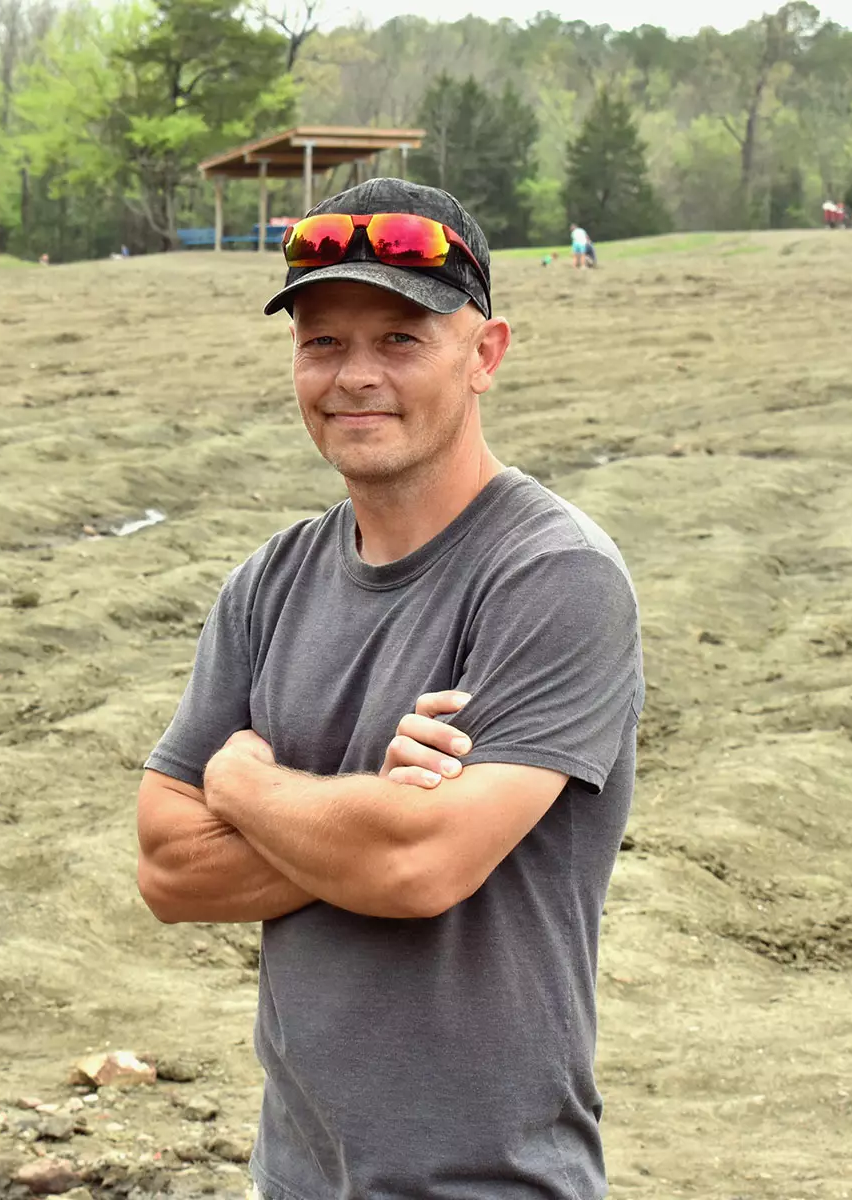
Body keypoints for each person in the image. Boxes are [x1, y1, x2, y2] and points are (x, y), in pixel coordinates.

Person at [136, 178, 645, 1200]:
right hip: (297, 1173)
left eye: (401, 340)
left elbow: (419, 867)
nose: (354, 376)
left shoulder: (553, 576)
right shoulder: (270, 582)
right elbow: (167, 872)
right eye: (323, 342)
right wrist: (365, 811)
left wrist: (245, 788)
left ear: (485, 353)